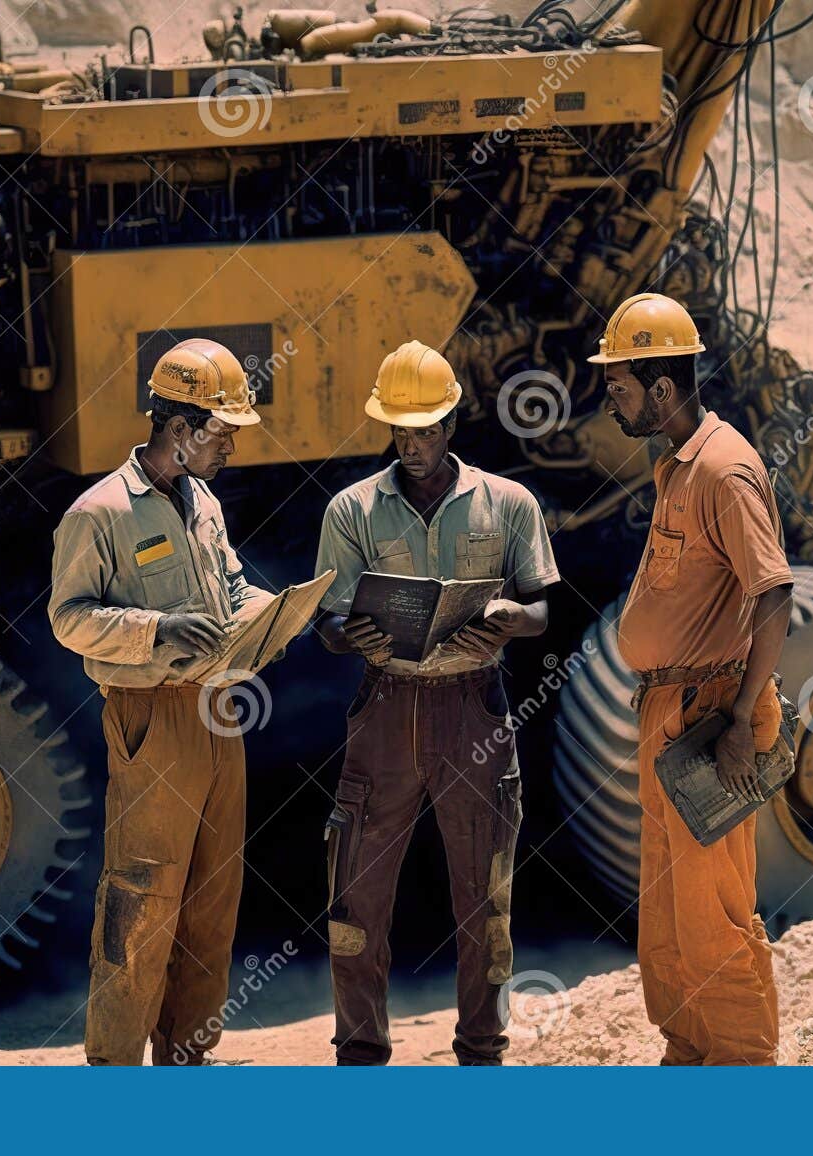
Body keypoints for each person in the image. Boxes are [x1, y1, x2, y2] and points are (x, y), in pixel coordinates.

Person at [313, 340, 560, 1065]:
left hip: (474, 709)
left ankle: (482, 1051)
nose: (412, 445)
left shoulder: (509, 503)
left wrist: (516, 618)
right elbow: (324, 620)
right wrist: (344, 632)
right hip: (386, 707)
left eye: (424, 430)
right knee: (358, 893)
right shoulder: (351, 510)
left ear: (451, 422)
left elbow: (544, 610)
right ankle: (360, 1053)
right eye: (400, 430)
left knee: (485, 894)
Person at [47, 337, 268, 1065]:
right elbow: (68, 618)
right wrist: (158, 628)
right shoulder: (98, 513)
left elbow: (231, 588)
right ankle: (115, 1066)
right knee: (142, 898)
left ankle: (187, 1058)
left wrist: (277, 612)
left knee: (213, 896)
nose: (231, 447)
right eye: (223, 433)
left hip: (218, 713)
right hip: (153, 720)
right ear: (180, 430)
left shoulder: (202, 501)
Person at [590, 292, 794, 1066]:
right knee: (669, 914)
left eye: (620, 387)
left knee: (712, 914)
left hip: (711, 717)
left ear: (663, 388)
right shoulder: (676, 466)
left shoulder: (724, 468)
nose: (611, 401)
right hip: (670, 714)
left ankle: (743, 1071)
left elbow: (773, 593)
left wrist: (742, 718)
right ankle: (690, 1055)